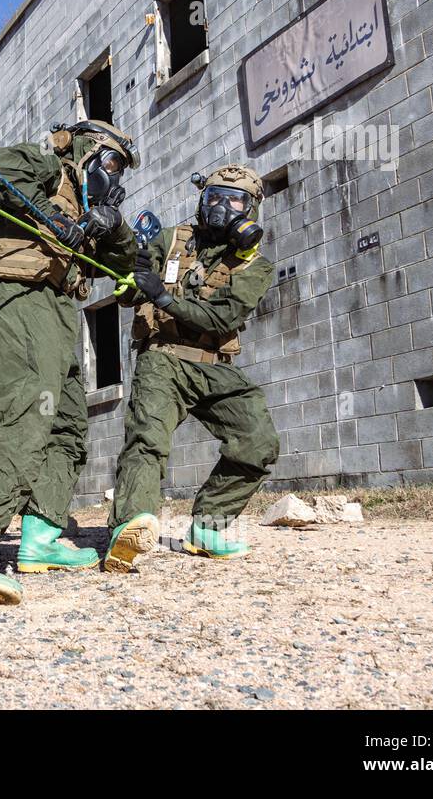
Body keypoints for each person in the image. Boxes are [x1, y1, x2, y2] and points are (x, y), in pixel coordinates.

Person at [0, 120, 139, 603]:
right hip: (16, 298)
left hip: (61, 310)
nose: (114, 174)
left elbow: (123, 266)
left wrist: (114, 224)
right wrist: (51, 214)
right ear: (86, 152)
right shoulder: (48, 167)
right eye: (110, 162)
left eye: (120, 169)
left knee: (66, 425)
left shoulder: (94, 210)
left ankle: (40, 538)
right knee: (25, 414)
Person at [104, 164, 279, 574]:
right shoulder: (171, 240)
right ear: (202, 200)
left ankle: (208, 527)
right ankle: (128, 530)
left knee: (258, 441)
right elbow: (131, 281)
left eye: (234, 200)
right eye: (214, 197)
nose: (222, 207)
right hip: (161, 355)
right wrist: (133, 281)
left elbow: (220, 320)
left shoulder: (255, 265)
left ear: (250, 209)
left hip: (214, 365)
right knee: (147, 440)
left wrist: (162, 299)